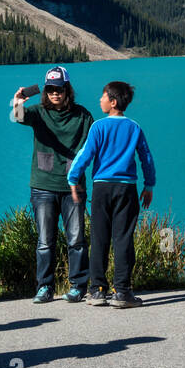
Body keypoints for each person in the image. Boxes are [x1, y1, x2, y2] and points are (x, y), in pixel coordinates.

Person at [67, 81, 156, 308]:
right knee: (123, 238)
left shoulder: (98, 127)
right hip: (126, 188)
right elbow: (146, 157)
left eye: (103, 96)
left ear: (113, 102)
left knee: (99, 238)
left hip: (101, 188)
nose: (100, 99)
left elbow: (85, 154)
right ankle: (122, 291)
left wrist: (73, 178)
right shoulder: (134, 127)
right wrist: (149, 185)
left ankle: (97, 290)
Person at [10, 66, 94, 304]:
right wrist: (17, 101)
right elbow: (17, 117)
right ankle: (44, 287)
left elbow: (94, 145)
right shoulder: (37, 112)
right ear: (45, 91)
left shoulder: (83, 116)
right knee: (45, 241)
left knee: (76, 239)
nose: (55, 93)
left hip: (73, 187)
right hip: (43, 186)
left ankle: (78, 286)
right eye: (50, 89)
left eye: (59, 89)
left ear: (67, 90)